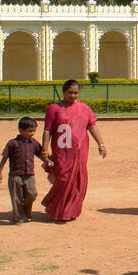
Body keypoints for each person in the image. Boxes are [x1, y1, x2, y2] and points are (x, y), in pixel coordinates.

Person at [42, 79, 107, 223]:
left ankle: (69, 211)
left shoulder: (84, 108)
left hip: (79, 152)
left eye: (76, 93)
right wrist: (45, 150)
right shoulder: (54, 109)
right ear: (63, 92)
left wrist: (101, 144)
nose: (73, 96)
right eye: (70, 93)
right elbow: (47, 131)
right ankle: (57, 209)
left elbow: (92, 126)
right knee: (63, 180)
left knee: (79, 182)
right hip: (62, 152)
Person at [0, 117, 49, 224]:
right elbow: (4, 157)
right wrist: (0, 172)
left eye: (34, 131)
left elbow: (40, 154)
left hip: (29, 174)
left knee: (32, 194)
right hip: (15, 175)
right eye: (29, 131)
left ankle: (26, 210)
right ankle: (18, 217)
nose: (32, 133)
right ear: (21, 130)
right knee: (17, 197)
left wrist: (49, 161)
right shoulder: (12, 143)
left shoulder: (33, 143)